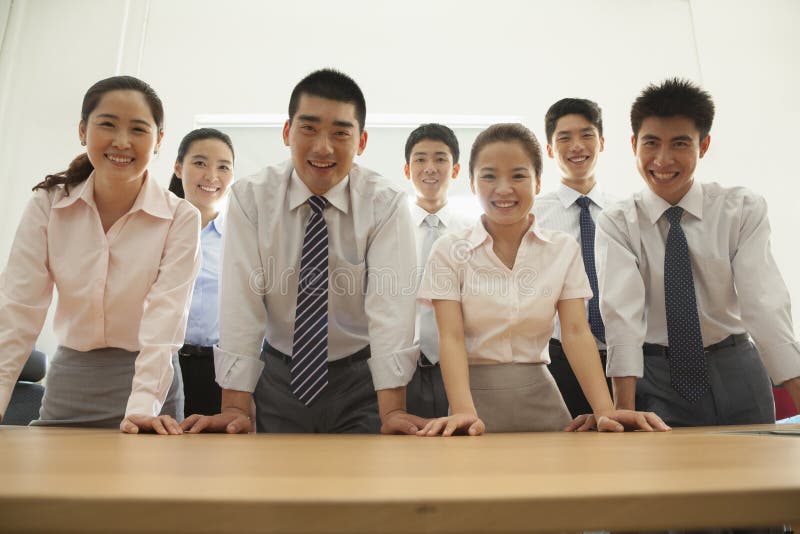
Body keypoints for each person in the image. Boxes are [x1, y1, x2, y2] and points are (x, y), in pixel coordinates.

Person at [181, 69, 424, 434]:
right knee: (277, 484)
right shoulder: (252, 198)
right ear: (286, 132)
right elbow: (241, 304)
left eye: (341, 133)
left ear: (361, 142)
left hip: (362, 378)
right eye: (308, 128)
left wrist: (392, 412)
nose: (323, 147)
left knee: (363, 484)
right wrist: (234, 407)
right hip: (279, 374)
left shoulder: (384, 204)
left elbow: (392, 310)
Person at [416, 123, 669, 435]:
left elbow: (576, 333)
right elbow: (450, 338)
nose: (504, 188)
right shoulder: (448, 250)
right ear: (471, 183)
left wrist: (606, 411)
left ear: (537, 182)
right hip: (472, 403)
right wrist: (465, 411)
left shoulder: (562, 249)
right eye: (489, 176)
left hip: (543, 399)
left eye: (519, 175)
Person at [0, 75, 200, 434]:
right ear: (82, 130)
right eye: (107, 125)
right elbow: (19, 310)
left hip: (151, 381)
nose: (122, 142)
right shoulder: (49, 204)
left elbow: (165, 321)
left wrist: (141, 409)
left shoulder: (180, 217)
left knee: (145, 485)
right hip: (71, 380)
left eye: (139, 129)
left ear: (159, 141)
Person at [596, 78, 800, 426]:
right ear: (633, 145)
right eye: (651, 143)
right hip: (657, 377)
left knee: (761, 476)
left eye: (680, 143)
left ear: (703, 146)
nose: (663, 159)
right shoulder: (617, 221)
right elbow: (622, 317)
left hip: (736, 367)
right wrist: (623, 411)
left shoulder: (741, 209)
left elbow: (764, 304)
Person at [533, 98, 613, 417]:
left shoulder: (623, 214)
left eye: (586, 135)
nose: (576, 146)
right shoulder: (532, 216)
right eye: (564, 138)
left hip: (622, 356)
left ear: (602, 142)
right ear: (550, 149)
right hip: (558, 358)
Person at [403, 123, 472, 418]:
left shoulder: (473, 233)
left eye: (440, 159)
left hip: (458, 366)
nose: (429, 167)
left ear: (455, 170)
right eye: (420, 159)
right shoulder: (390, 229)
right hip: (401, 367)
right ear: (407, 170)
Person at [168, 128, 235, 417]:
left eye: (223, 167)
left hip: (218, 371)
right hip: (161, 365)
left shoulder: (237, 240)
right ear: (178, 167)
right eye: (200, 163)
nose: (211, 176)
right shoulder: (153, 232)